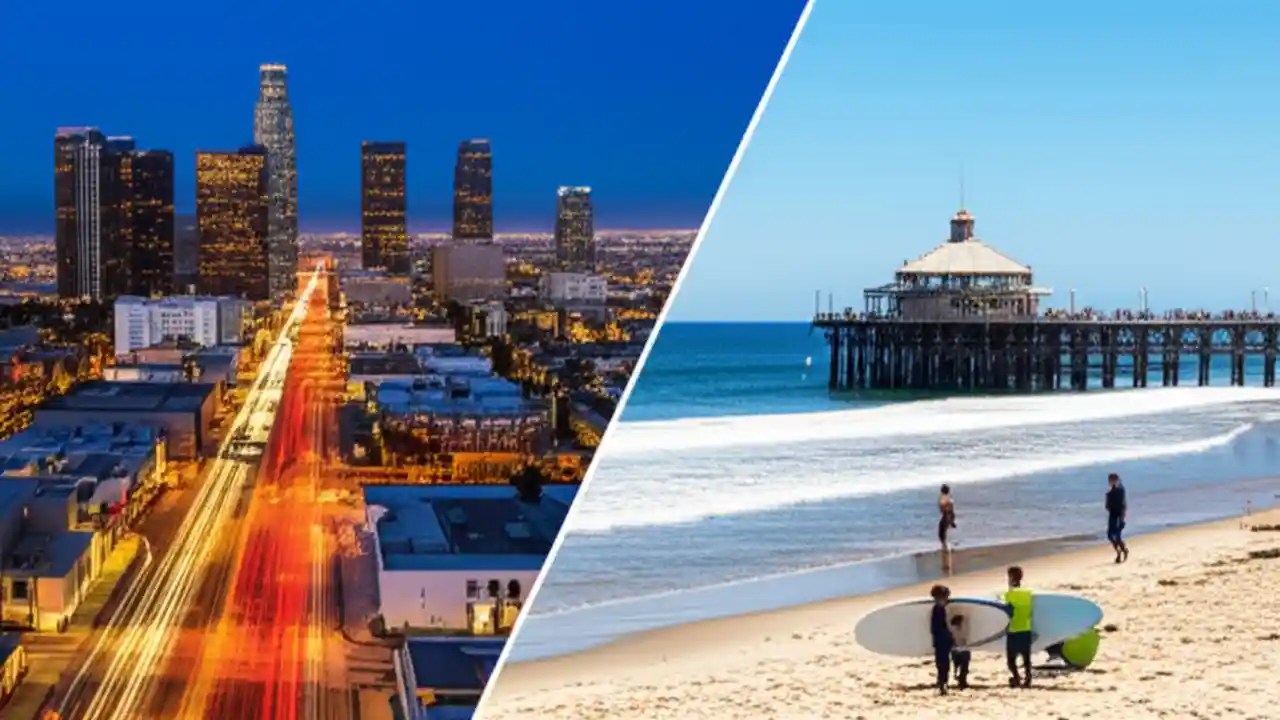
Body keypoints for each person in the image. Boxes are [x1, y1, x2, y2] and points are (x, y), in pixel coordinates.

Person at [1002, 566, 1033, 688]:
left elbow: (1006, 612)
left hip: (1013, 630)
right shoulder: (1028, 593)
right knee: (1026, 659)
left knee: (1011, 661)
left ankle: (1016, 677)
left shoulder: (1008, 595)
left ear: (1011, 578)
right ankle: (1028, 679)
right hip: (1026, 629)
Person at [929, 584, 953, 695]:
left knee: (943, 664)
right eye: (946, 598)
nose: (947, 600)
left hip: (942, 641)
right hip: (941, 641)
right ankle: (942, 684)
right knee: (942, 664)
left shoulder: (939, 608)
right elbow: (937, 627)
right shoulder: (938, 610)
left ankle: (942, 683)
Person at [1106, 473, 1129, 563]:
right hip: (1112, 515)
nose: (1110, 482)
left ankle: (1123, 551)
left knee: (1117, 536)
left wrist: (1122, 518)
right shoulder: (1111, 492)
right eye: (1110, 481)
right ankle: (1119, 551)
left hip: (1119, 515)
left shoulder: (1120, 490)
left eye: (1111, 480)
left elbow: (1123, 505)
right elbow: (1108, 506)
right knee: (1110, 535)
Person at [949, 613, 971, 689]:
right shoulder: (961, 630)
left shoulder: (951, 630)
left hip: (955, 650)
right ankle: (962, 681)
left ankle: (960, 679)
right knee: (964, 667)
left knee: (958, 666)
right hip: (962, 650)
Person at [938, 485, 957, 561]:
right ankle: (946, 547)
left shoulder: (944, 498)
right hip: (949, 515)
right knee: (943, 531)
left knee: (942, 532)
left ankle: (946, 547)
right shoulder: (949, 498)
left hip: (947, 515)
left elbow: (945, 507)